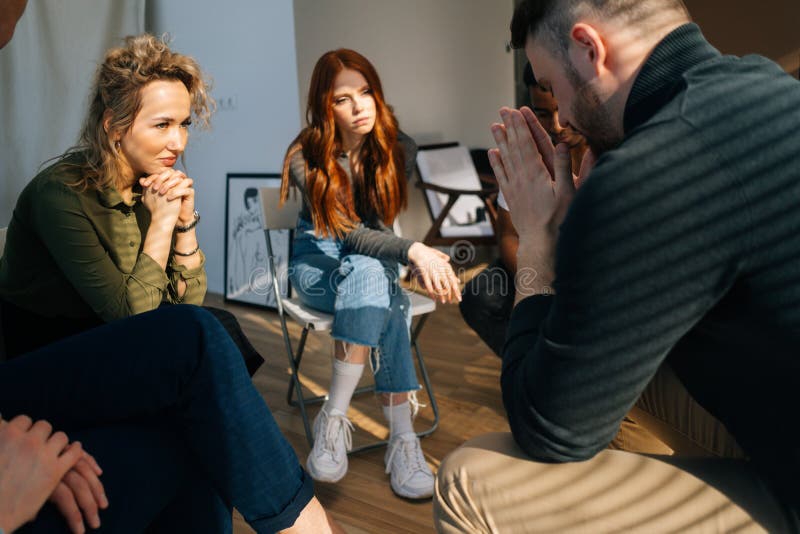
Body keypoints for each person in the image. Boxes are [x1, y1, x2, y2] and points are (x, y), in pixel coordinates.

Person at [434, 0, 800, 532]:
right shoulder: (772, 86)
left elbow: (545, 427)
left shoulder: (658, 165)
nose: (559, 115)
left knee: (467, 479)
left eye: (551, 84)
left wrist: (541, 239)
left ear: (589, 49)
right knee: (602, 371)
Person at [0, 33, 262, 374]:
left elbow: (186, 304)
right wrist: (163, 223)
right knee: (209, 334)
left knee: (209, 327)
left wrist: (184, 224)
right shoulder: (59, 194)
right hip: (49, 348)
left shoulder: (150, 183)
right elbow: (131, 316)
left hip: (112, 331)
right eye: (162, 125)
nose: (178, 142)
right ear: (114, 126)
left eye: (184, 124)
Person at [281, 48, 461, 500]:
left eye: (365, 92)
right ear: (325, 105)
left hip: (370, 265)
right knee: (378, 280)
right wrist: (415, 249)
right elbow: (347, 235)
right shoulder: (307, 154)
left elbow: (374, 233)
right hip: (315, 264)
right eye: (343, 98)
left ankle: (334, 417)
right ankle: (401, 437)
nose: (359, 106)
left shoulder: (398, 148)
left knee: (373, 276)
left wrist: (406, 251)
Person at [0, 306, 342, 534]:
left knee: (202, 336)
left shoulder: (130, 210)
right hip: (52, 341)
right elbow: (127, 304)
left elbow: (176, 298)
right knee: (196, 350)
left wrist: (183, 232)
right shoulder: (59, 203)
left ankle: (298, 520)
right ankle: (302, 523)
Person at [459, 62, 587, 357]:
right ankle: (531, 370)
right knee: (480, 296)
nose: (556, 125)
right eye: (543, 113)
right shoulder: (525, 161)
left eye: (562, 108)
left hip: (592, 274)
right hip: (541, 266)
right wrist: (543, 283)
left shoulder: (613, 152)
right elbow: (508, 237)